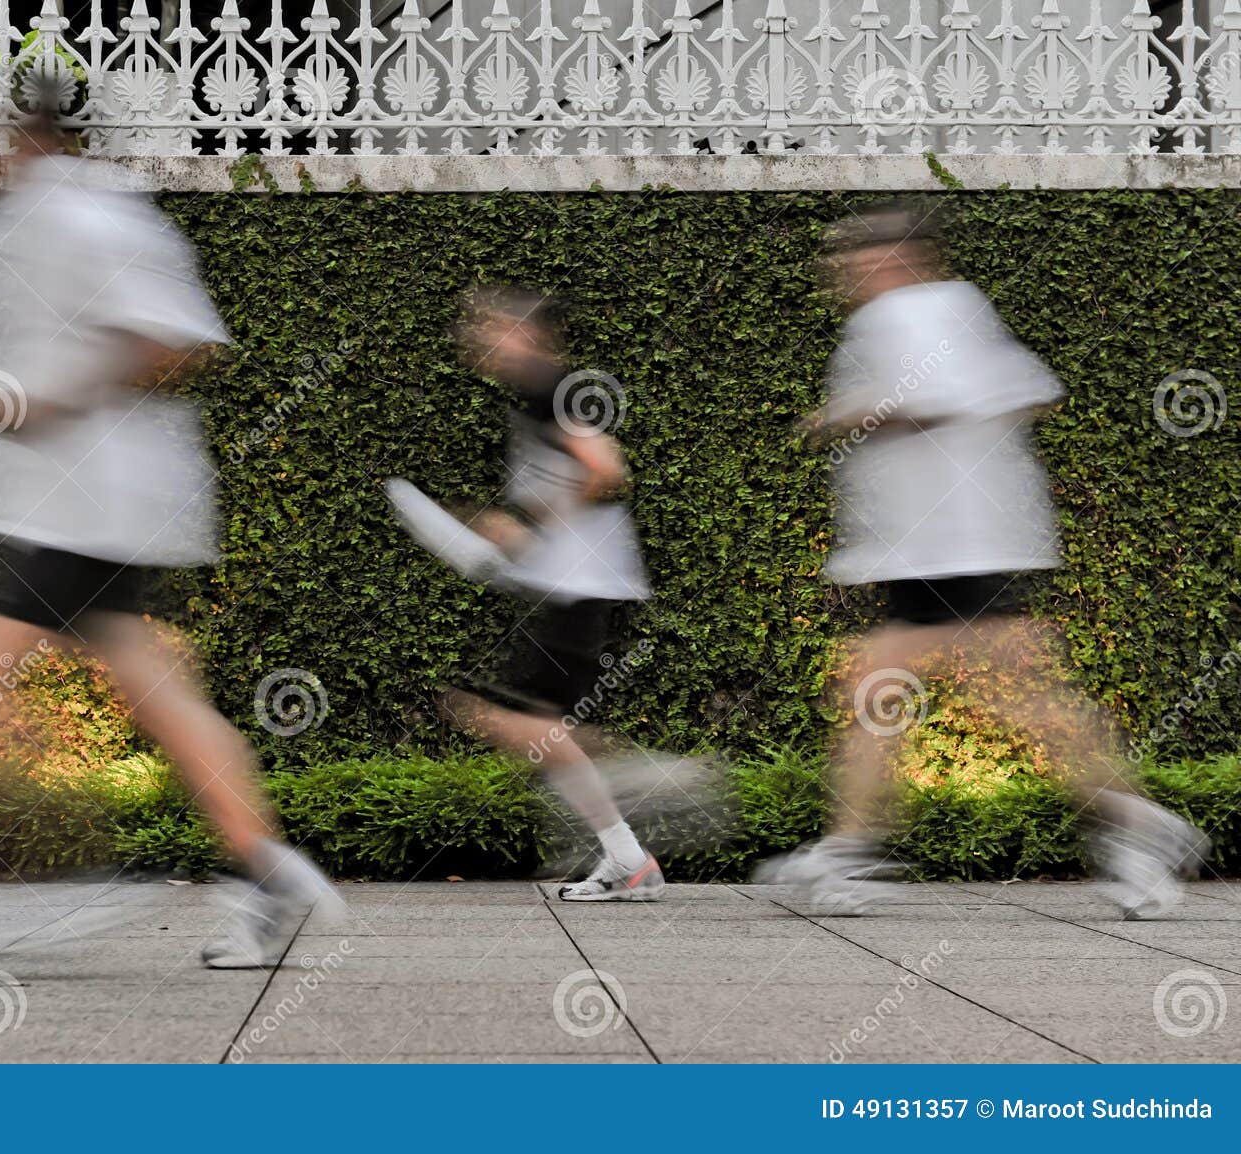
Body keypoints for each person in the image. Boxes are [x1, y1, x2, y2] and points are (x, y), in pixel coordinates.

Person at [0, 89, 340, 968]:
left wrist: (40, 398)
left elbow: (175, 344)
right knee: (161, 697)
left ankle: (16, 882)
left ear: (30, 137)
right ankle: (268, 873)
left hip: (81, 500)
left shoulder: (92, 216)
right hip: (73, 503)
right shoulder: (32, 224)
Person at [755, 202, 1207, 918]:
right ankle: (1136, 826)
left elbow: (943, 398)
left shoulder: (909, 312)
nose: (840, 272)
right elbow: (1031, 390)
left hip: (944, 543)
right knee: (985, 700)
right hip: (945, 541)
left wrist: (850, 413)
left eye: (853, 258)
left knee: (914, 695)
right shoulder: (957, 308)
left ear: (896, 259)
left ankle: (848, 855)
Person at [389, 286, 664, 900]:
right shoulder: (539, 395)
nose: (482, 337)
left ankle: (641, 819)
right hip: (567, 582)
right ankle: (629, 835)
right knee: (524, 722)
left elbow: (604, 469)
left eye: (497, 326)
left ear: (534, 335)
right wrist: (503, 524)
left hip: (576, 584)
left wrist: (533, 527)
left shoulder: (549, 389)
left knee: (513, 721)